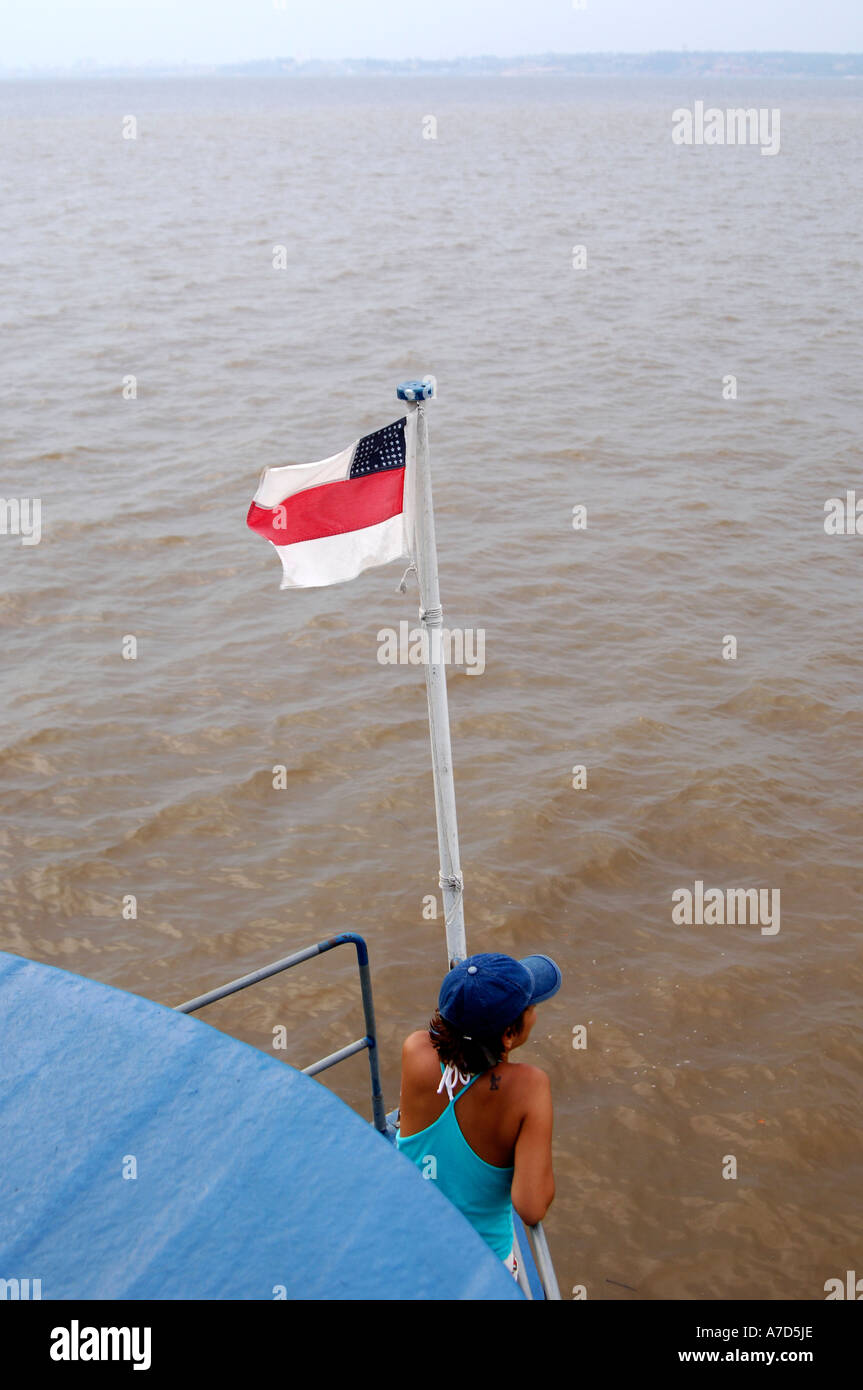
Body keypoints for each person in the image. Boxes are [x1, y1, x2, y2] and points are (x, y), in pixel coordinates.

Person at [396, 951, 560, 1278]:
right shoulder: (528, 1088)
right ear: (509, 1035)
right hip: (479, 1270)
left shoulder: (415, 1049)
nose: (535, 1013)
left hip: (408, 1239)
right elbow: (530, 1206)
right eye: (532, 1007)